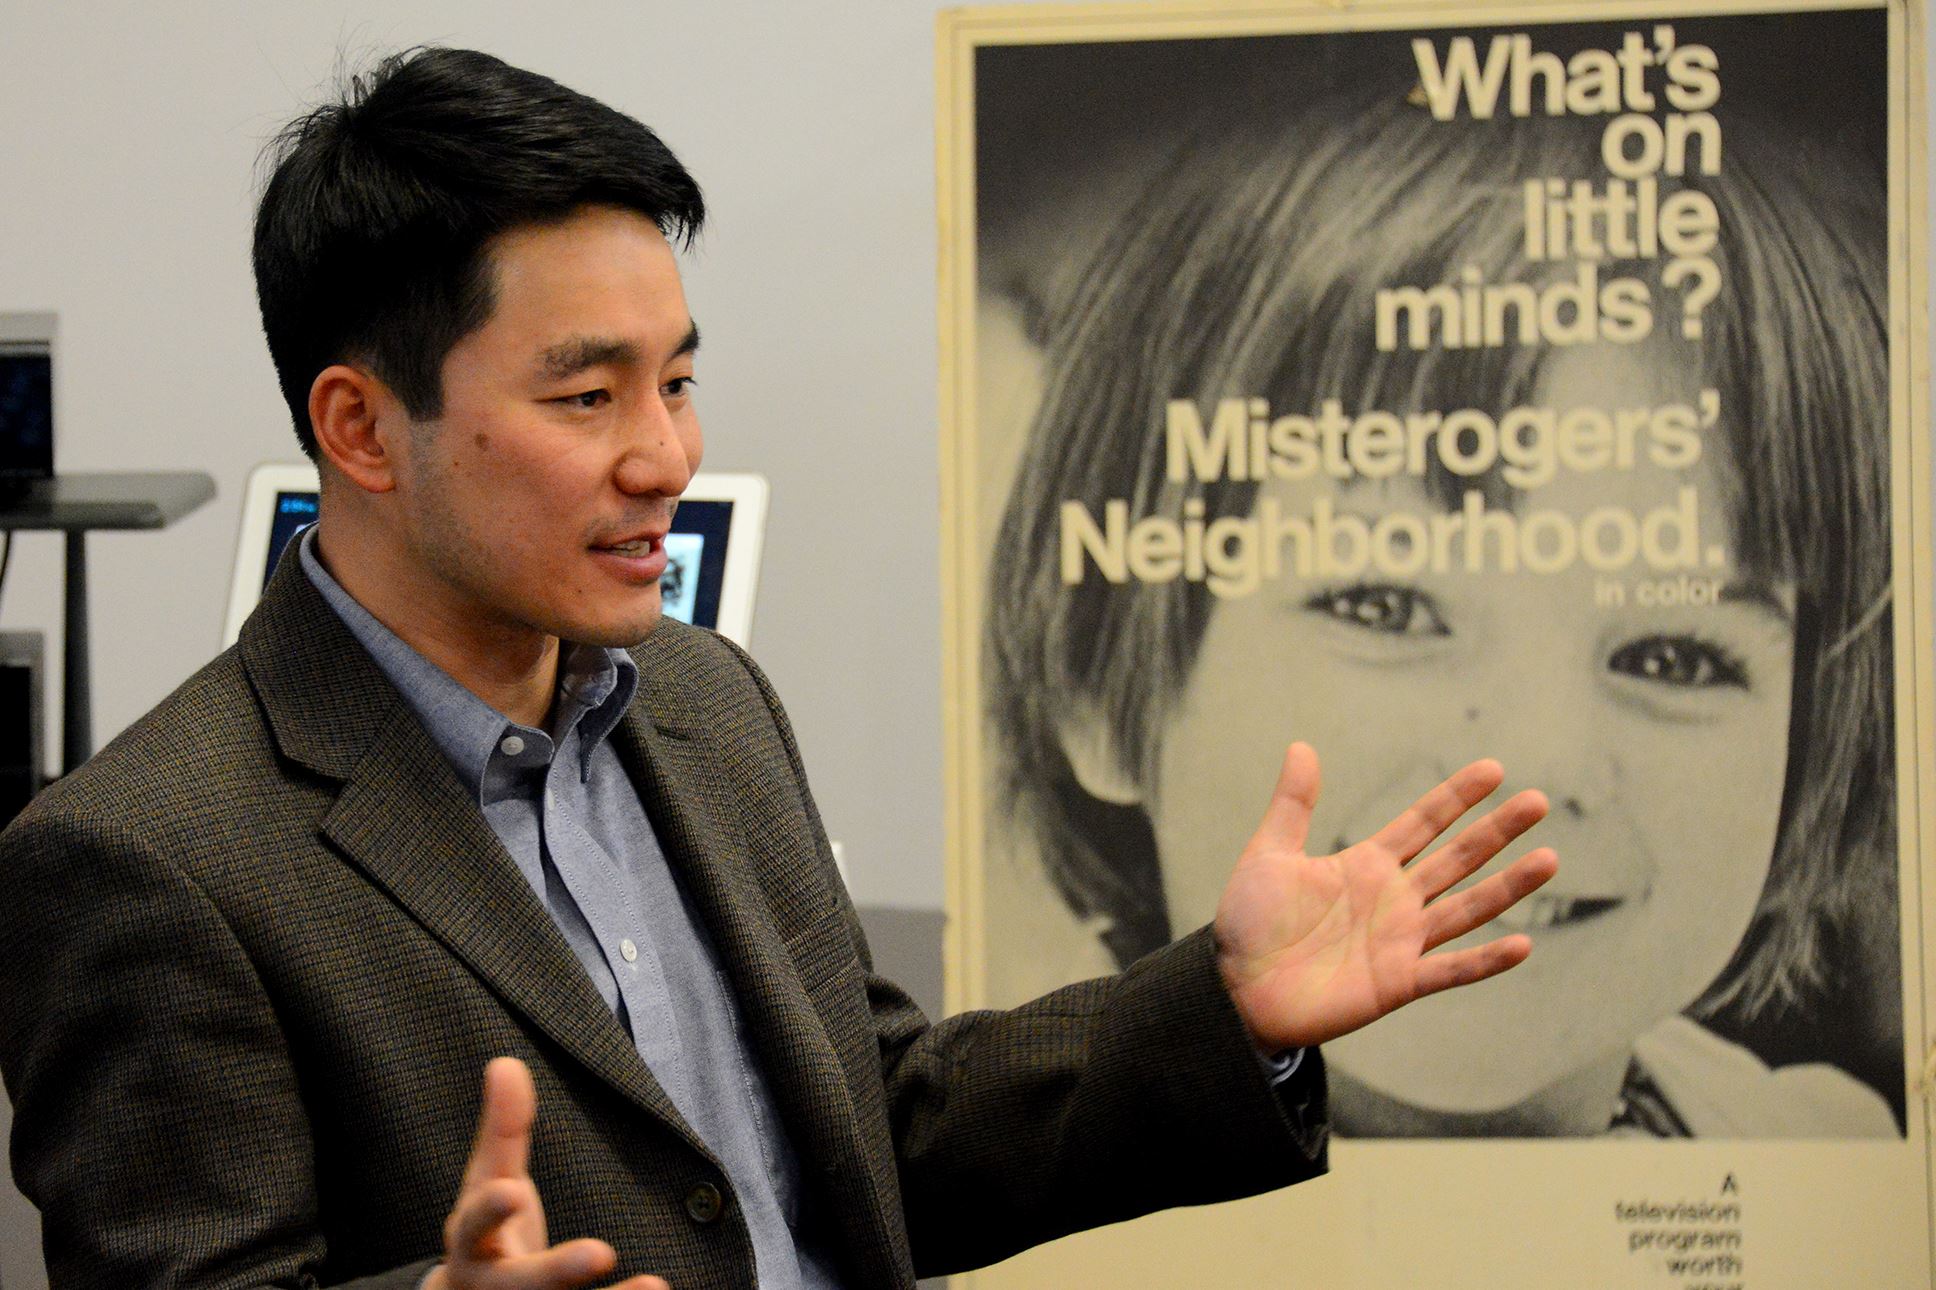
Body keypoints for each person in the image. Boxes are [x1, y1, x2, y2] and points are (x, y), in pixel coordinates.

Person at [0, 47, 1558, 1289]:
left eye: (676, 380)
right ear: (358, 428)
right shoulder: (144, 860)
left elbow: (874, 1128)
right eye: (588, 396)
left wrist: (1224, 1013)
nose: (666, 455)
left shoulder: (703, 698)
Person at [983, 93, 1898, 1138]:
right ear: (1100, 681)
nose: (1536, 759)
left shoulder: (1816, 1151)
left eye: (1673, 656)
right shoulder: (1014, 1165)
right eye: (1385, 606)